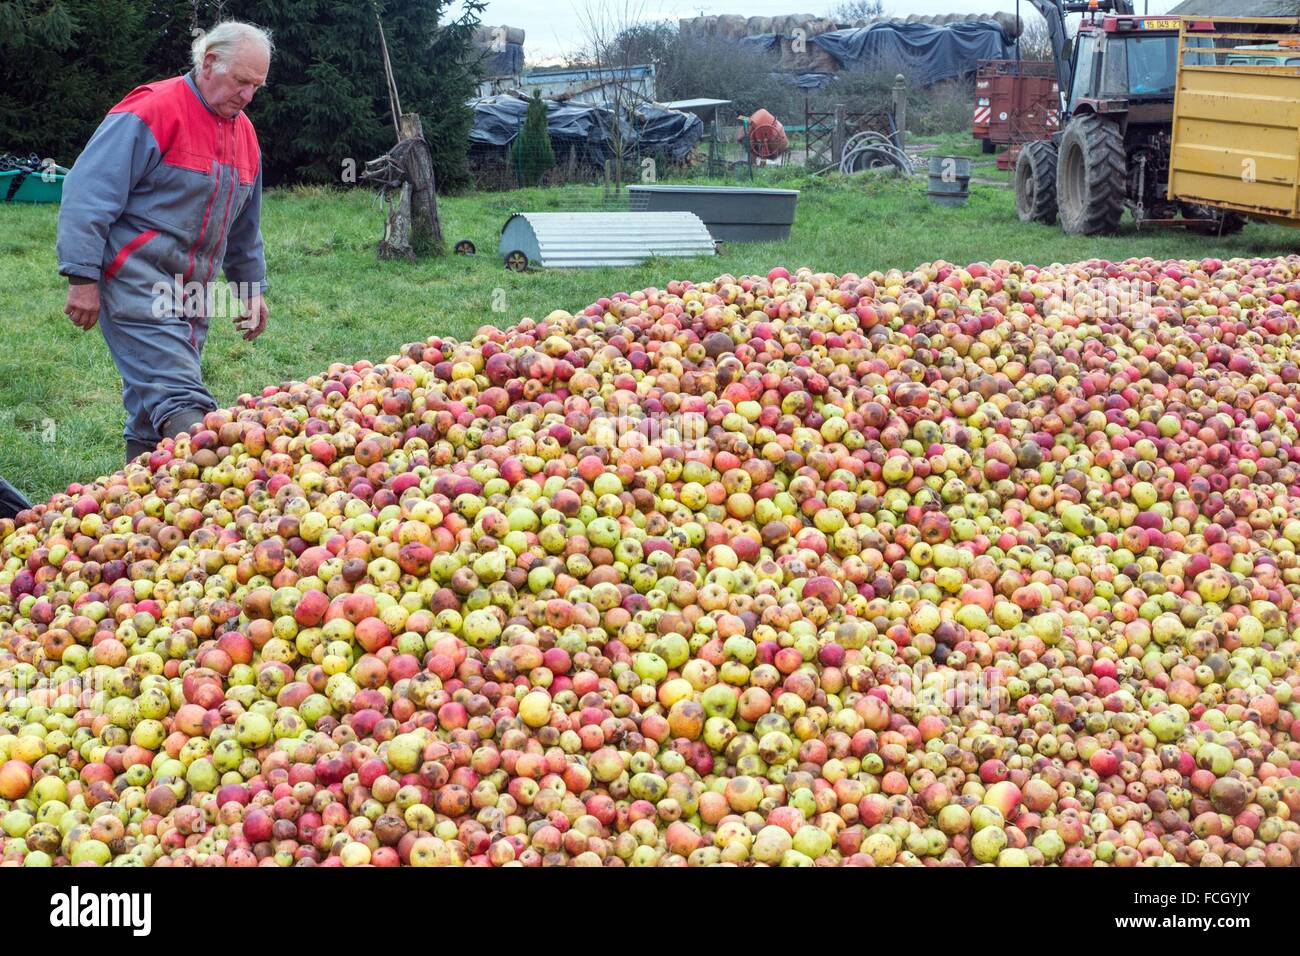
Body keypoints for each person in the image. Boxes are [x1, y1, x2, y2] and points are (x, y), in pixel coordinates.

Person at [56, 21, 274, 464]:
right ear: (210, 61)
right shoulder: (153, 110)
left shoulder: (246, 135)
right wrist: (82, 277)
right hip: (136, 278)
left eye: (256, 86)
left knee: (149, 402)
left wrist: (250, 291)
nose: (247, 95)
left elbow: (245, 228)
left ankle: (135, 505)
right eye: (241, 81)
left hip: (195, 289)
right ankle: (221, 489)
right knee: (179, 396)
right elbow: (87, 193)